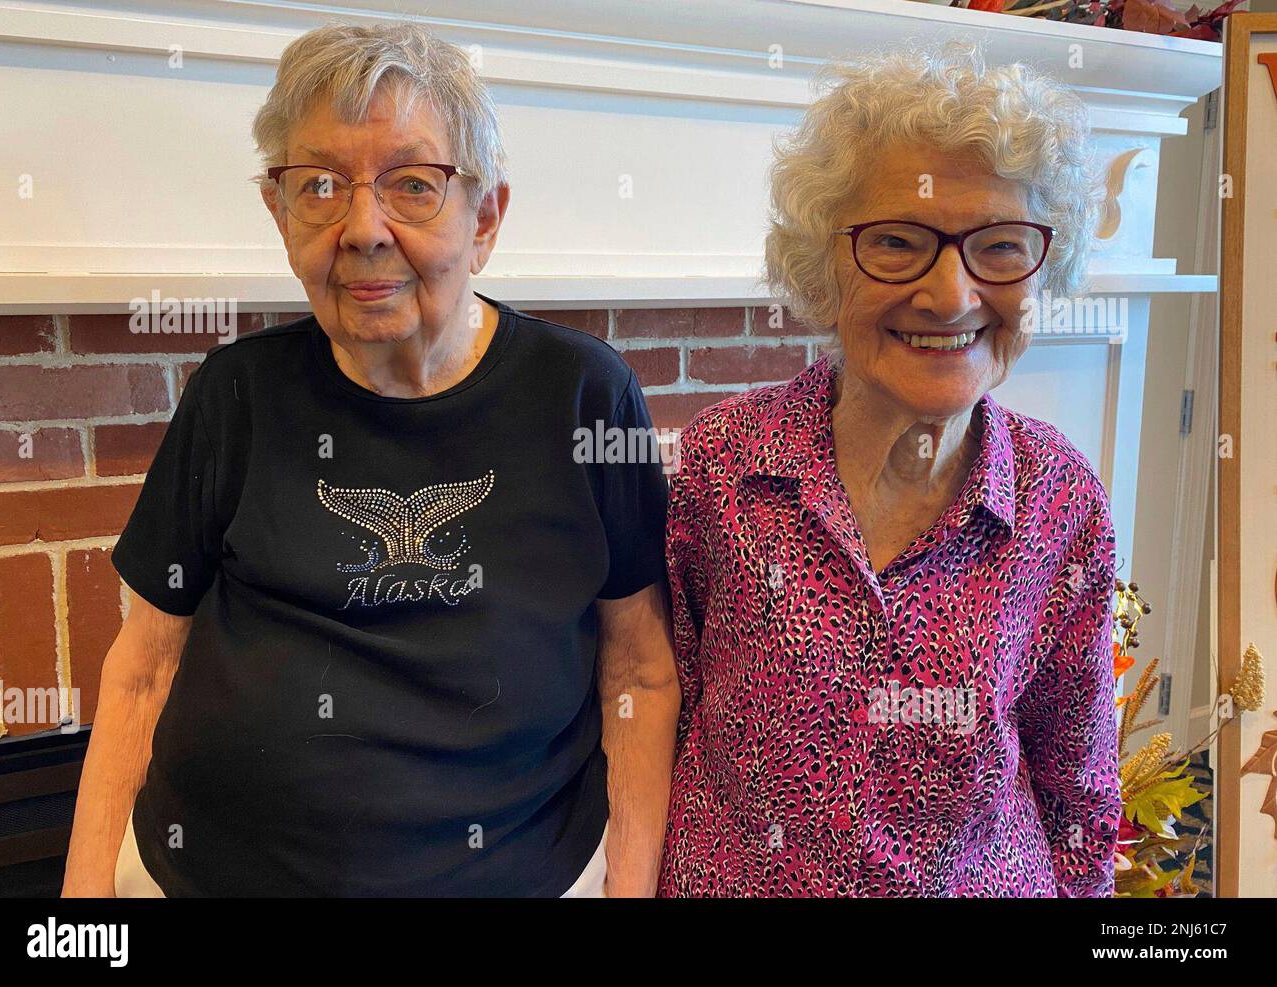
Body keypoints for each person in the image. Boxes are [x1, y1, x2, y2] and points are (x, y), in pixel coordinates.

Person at [62, 20, 678, 898]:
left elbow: (641, 672)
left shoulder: (584, 397)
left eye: (413, 186)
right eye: (318, 185)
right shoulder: (235, 394)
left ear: (487, 215)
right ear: (278, 213)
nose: (362, 229)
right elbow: (143, 667)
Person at [657, 42, 1121, 897]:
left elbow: (1080, 793)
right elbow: (656, 705)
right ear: (823, 264)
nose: (951, 295)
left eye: (1001, 245)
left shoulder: (1064, 501)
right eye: (898, 242)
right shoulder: (723, 466)